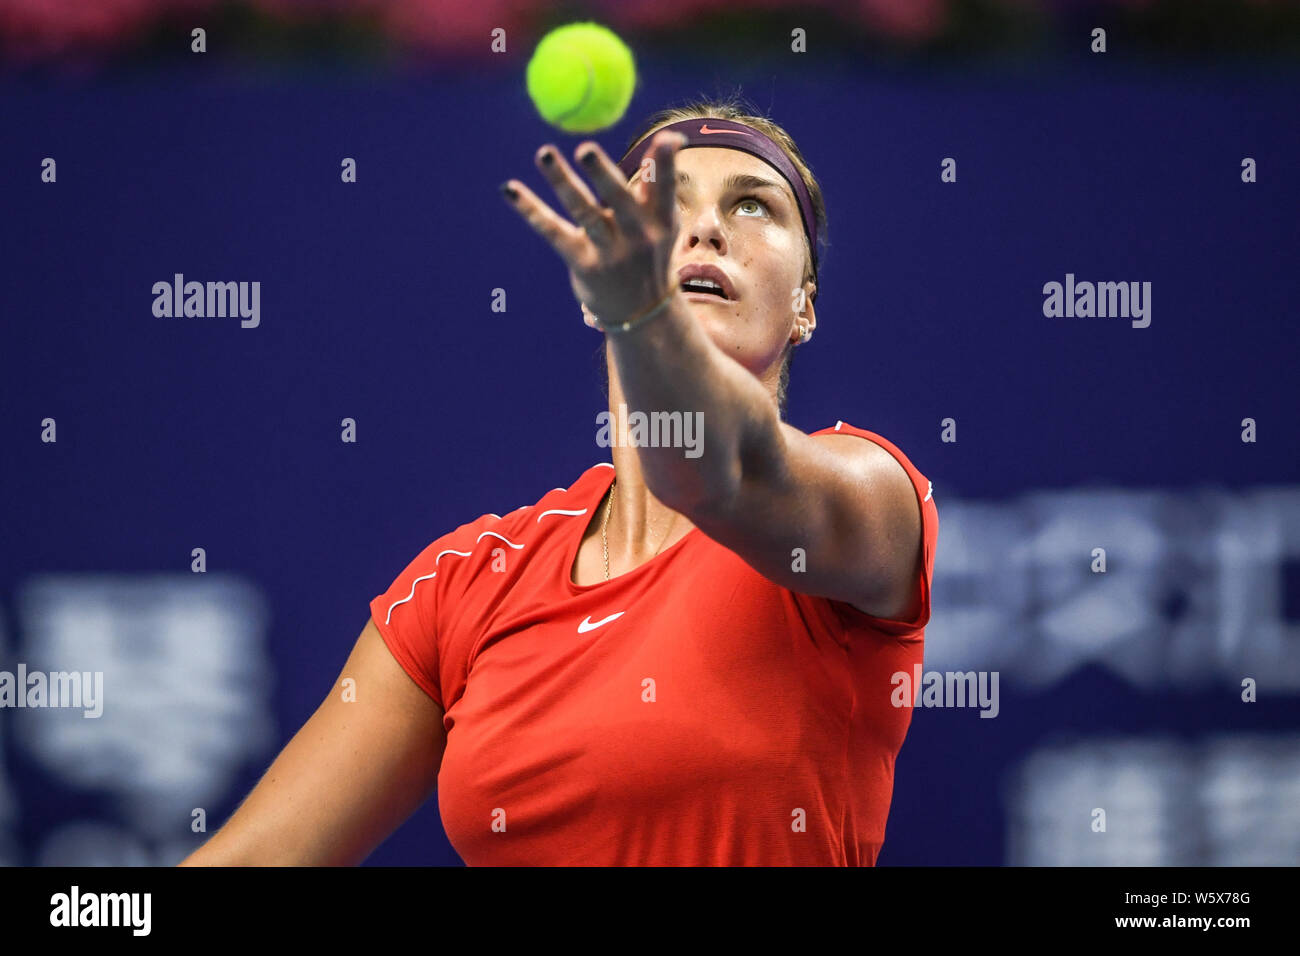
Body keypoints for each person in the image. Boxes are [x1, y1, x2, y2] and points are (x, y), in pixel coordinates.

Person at [179, 97, 938, 867]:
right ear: (591, 289)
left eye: (752, 205)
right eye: (662, 205)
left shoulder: (870, 495)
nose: (706, 228)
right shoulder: (468, 584)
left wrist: (645, 317)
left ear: (805, 303)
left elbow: (711, 473)